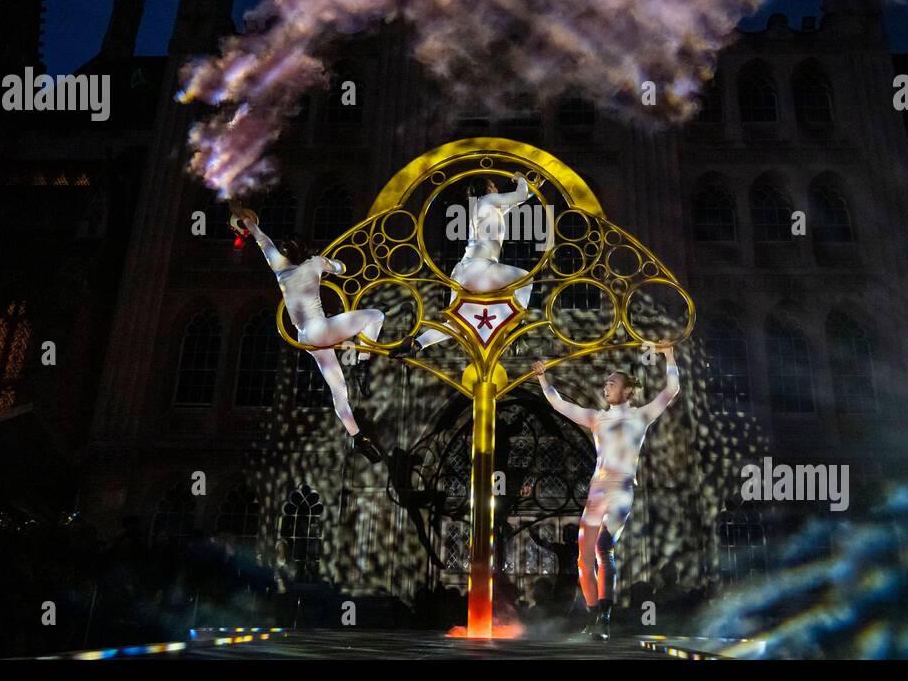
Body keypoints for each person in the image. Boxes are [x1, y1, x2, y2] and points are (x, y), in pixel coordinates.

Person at [533, 345, 681, 639]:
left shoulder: (641, 416)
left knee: (603, 547)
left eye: (612, 383)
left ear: (627, 391)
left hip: (622, 490)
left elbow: (672, 389)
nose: (605, 387)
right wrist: (542, 377)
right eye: (605, 383)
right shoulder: (597, 418)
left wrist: (669, 355)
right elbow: (559, 404)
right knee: (583, 559)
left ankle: (605, 616)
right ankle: (593, 616)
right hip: (597, 492)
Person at [231, 203, 386, 463]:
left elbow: (261, 238)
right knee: (375, 316)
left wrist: (247, 222)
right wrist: (329, 265)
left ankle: (358, 437)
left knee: (339, 390)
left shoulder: (279, 266)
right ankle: (362, 365)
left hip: (305, 338)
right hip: (321, 330)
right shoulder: (314, 263)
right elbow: (342, 269)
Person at [390, 172, 534, 358]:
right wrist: (520, 179)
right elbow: (520, 195)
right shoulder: (489, 199)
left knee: (458, 324)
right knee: (526, 278)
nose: (497, 189)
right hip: (480, 270)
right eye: (494, 186)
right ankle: (517, 323)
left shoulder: (483, 207)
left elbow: (521, 199)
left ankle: (416, 344)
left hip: (461, 273)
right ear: (488, 189)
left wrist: (532, 185)